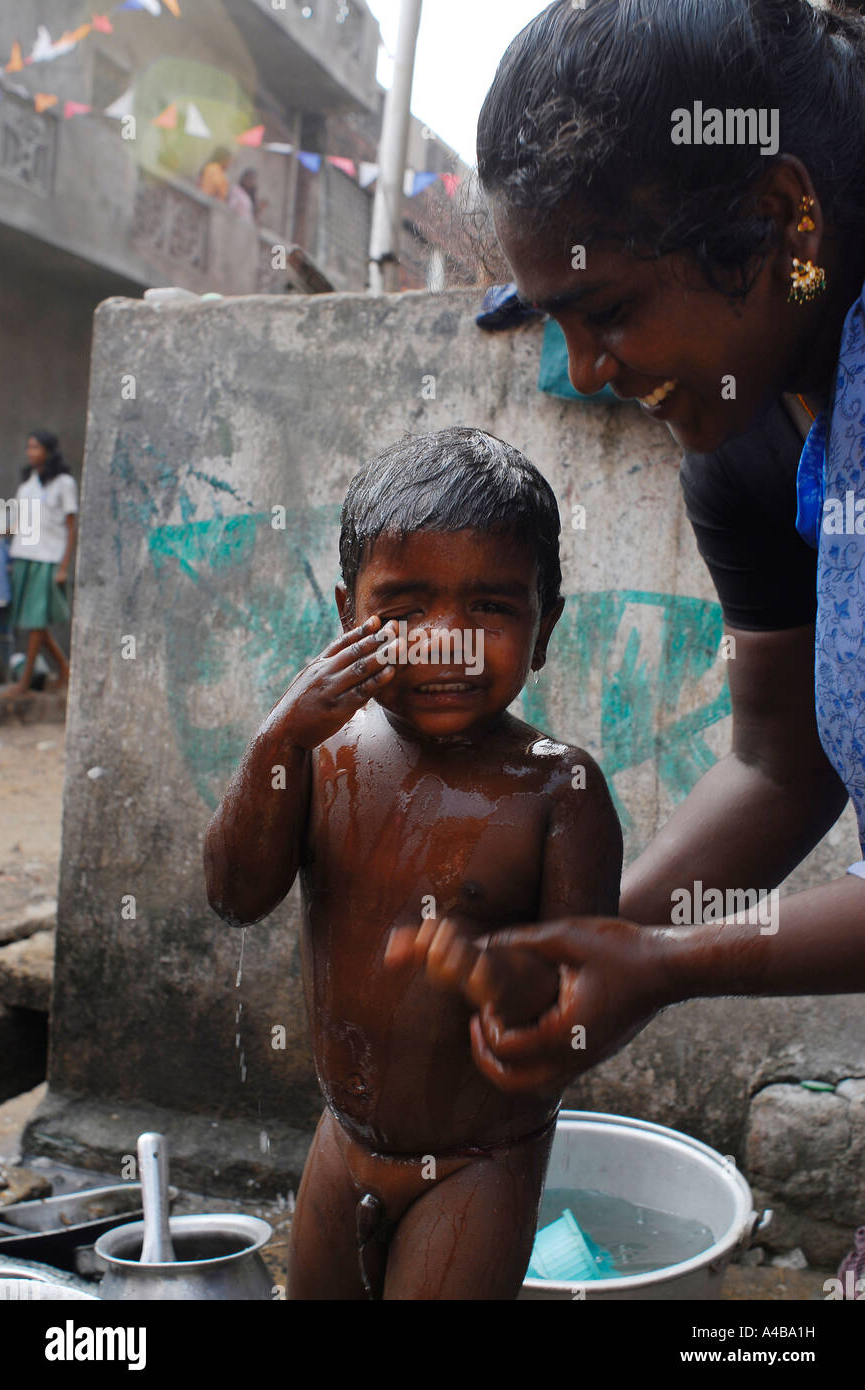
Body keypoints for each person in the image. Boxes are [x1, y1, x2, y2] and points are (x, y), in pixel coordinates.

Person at [394, 0, 865, 1097]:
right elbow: (781, 762)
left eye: (602, 309)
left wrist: (665, 962)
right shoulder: (751, 434)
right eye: (547, 318)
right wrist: (577, 947)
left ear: (784, 218)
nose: (587, 369)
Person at [203, 427, 622, 1299]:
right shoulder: (321, 755)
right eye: (403, 612)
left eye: (492, 609)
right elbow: (236, 895)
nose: (447, 642)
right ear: (345, 618)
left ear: (545, 629)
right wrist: (276, 735)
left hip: (478, 1163)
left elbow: (580, 1018)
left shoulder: (558, 791)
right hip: (342, 1143)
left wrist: (490, 977)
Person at [1, 430, 77, 698]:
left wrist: (64, 566)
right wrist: (1, 532)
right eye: (28, 447)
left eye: (35, 447)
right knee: (35, 622)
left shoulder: (64, 483)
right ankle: (65, 668)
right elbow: (21, 524)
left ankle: (23, 683)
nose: (30, 452)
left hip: (49, 559)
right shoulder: (27, 485)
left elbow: (71, 526)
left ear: (48, 450)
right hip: (24, 556)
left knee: (36, 622)